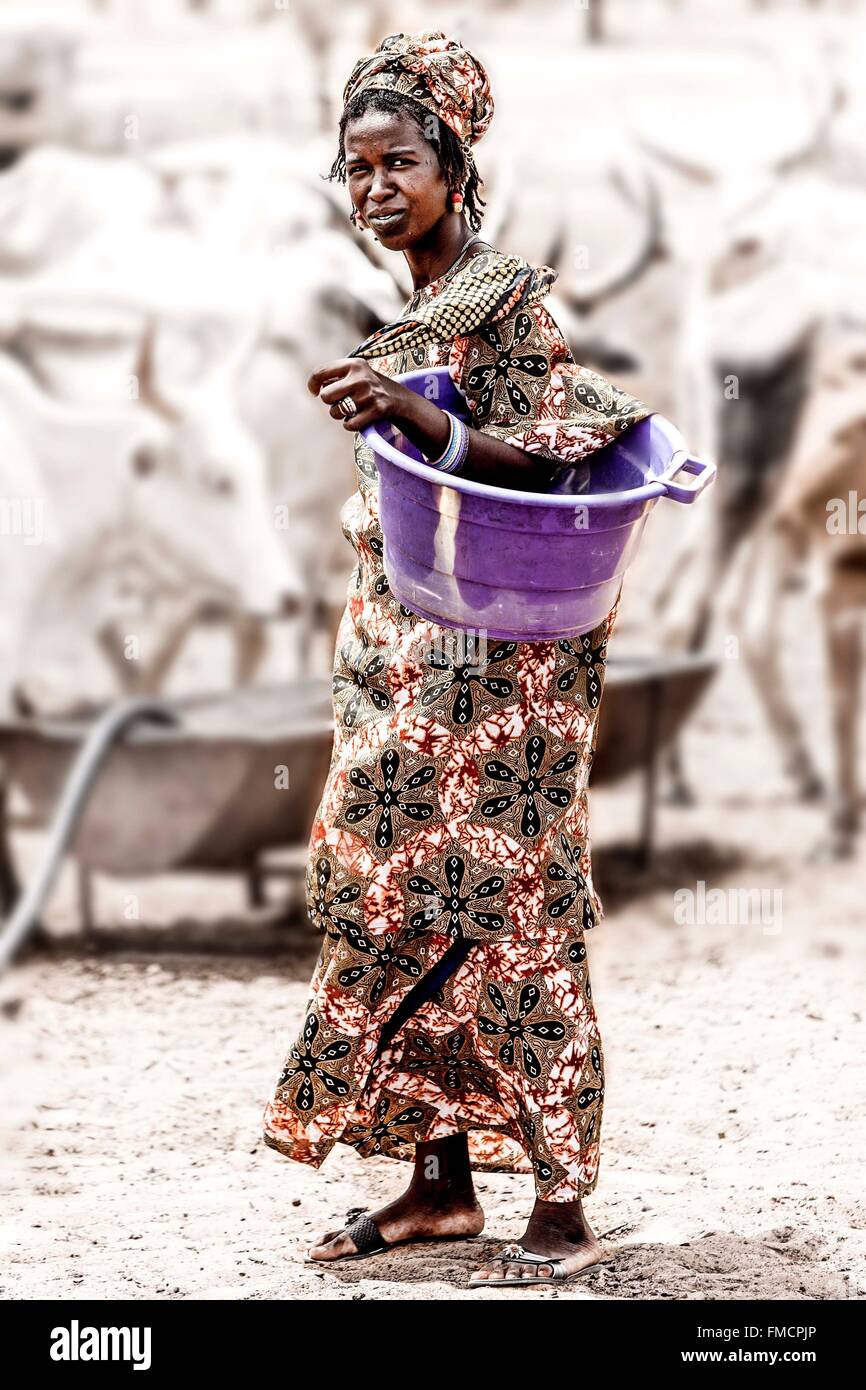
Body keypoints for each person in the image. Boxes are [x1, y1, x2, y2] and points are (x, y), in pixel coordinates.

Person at [261, 29, 651, 1289]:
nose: (375, 188)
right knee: (394, 899)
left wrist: (419, 414)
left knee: (515, 909)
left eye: (400, 162)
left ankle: (559, 1197)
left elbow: (553, 448)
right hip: (399, 671)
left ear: (455, 165)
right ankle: (433, 1187)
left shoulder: (504, 299)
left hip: (504, 680)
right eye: (355, 166)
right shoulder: (415, 313)